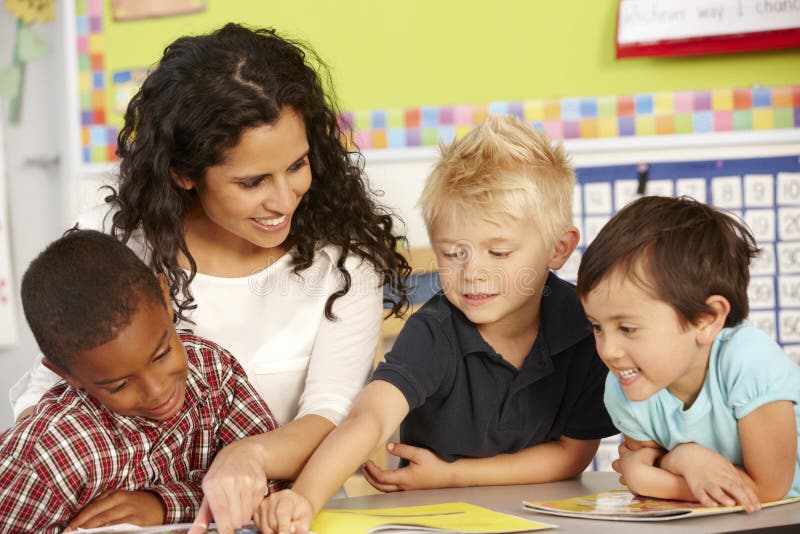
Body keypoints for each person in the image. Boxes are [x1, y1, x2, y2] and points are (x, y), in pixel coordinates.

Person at [9, 23, 410, 532]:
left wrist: (248, 456)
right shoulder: (120, 244)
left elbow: (333, 417)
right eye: (252, 182)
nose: (284, 200)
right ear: (183, 172)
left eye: (298, 165)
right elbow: (46, 403)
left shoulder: (344, 266)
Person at [255, 115, 618, 534]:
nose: (473, 273)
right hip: (438, 520)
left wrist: (454, 473)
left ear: (559, 248)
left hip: (545, 518)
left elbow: (571, 456)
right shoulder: (436, 332)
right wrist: (303, 496)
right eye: (452, 253)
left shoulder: (586, 327)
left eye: (498, 253)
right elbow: (369, 418)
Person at [0, 229, 284, 532]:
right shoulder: (48, 457)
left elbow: (274, 489)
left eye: (161, 355)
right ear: (66, 375)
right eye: (120, 385)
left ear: (165, 296)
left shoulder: (216, 375)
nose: (157, 390)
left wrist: (162, 505)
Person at [576, 196, 800, 513]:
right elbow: (643, 465)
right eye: (597, 327)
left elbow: (768, 490)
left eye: (627, 328)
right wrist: (683, 460)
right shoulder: (624, 387)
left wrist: (663, 469)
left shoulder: (750, 362)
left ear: (705, 320)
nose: (608, 351)